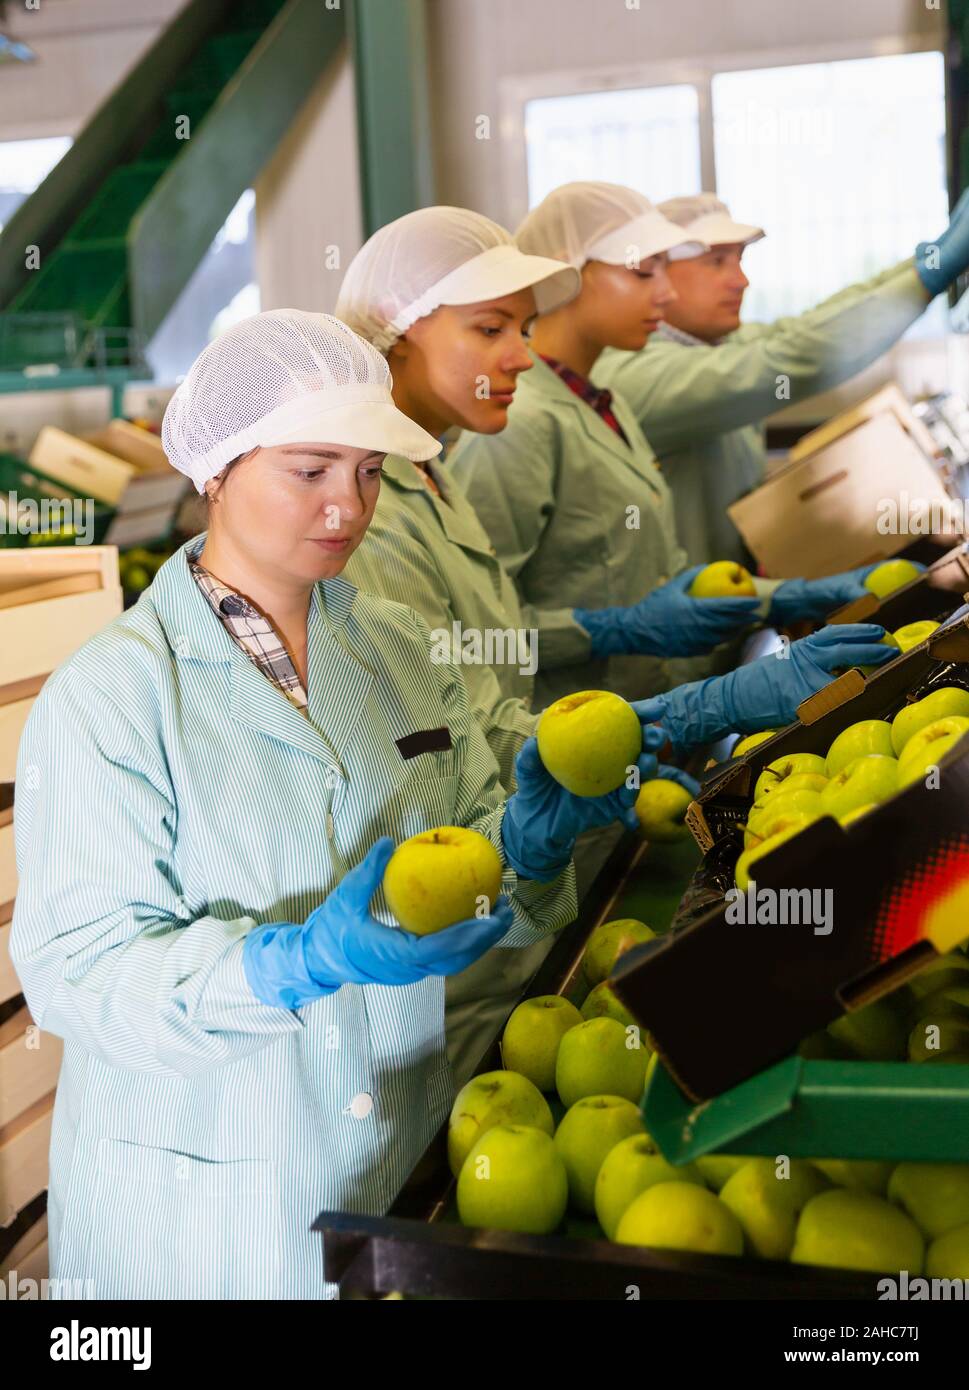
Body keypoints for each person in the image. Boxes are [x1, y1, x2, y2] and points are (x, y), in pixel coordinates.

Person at [10, 309, 664, 1300]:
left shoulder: (398, 645)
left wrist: (526, 851)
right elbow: (80, 972)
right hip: (207, 1205)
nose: (346, 505)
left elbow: (468, 852)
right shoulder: (113, 693)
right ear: (217, 469)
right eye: (309, 470)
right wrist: (292, 964)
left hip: (399, 1152)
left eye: (367, 472)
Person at [336, 204, 895, 1080]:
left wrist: (641, 639)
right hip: (455, 912)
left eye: (521, 328)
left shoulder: (427, 468)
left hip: (518, 880)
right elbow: (457, 724)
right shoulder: (371, 520)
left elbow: (486, 641)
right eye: (489, 329)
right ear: (395, 332)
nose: (520, 355)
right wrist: (686, 707)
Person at [449, 181, 888, 711]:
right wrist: (613, 632)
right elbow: (474, 630)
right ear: (565, 277)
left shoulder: (604, 404)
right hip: (569, 742)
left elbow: (662, 574)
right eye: (642, 272)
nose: (666, 292)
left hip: (643, 728)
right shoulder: (517, 425)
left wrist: (787, 597)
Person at [594, 190, 969, 568]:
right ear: (658, 274)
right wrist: (932, 276)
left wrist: (928, 258)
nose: (740, 281)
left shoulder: (716, 345)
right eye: (717, 262)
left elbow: (813, 324)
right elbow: (788, 359)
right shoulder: (634, 373)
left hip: (732, 602)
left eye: (739, 260)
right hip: (677, 618)